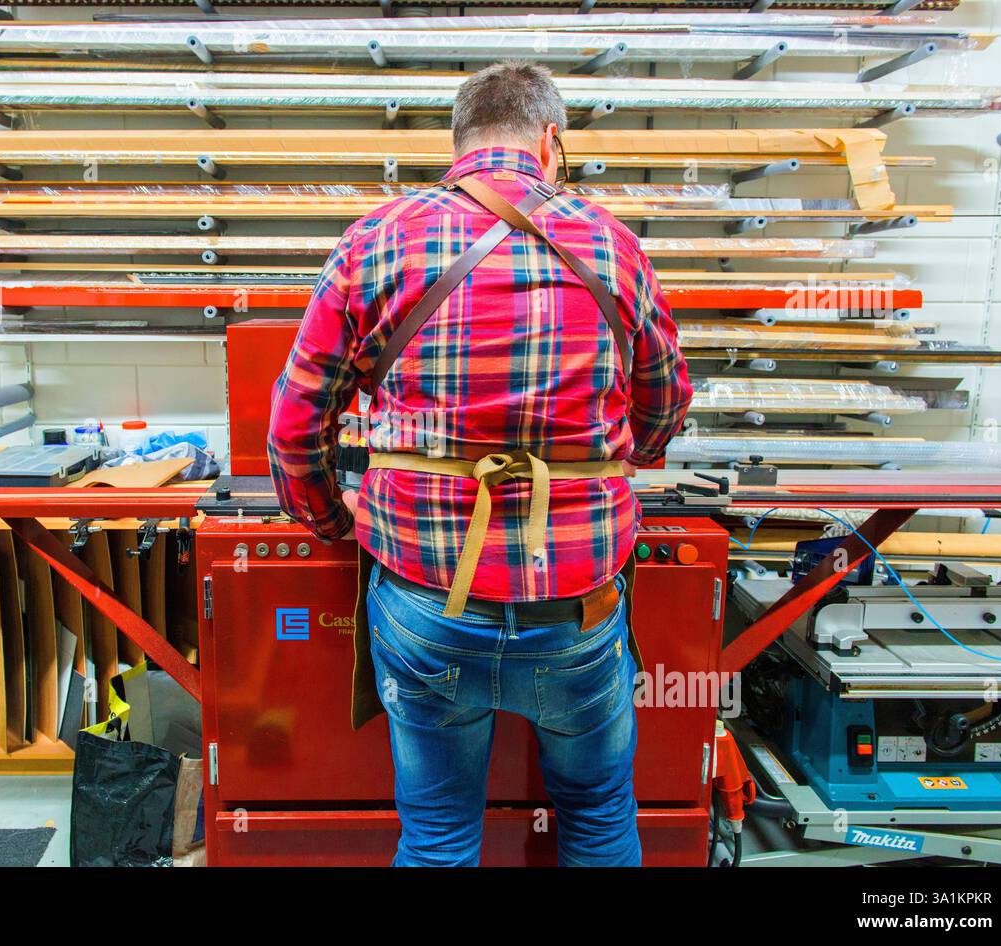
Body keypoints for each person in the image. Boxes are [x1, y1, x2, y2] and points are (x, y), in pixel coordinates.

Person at [267, 60, 693, 866]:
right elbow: (665, 407)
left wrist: (332, 518)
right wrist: (597, 461)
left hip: (427, 603)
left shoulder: (378, 239)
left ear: (459, 142)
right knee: (601, 821)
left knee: (436, 838)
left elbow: (293, 429)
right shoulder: (616, 244)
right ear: (551, 140)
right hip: (577, 604)